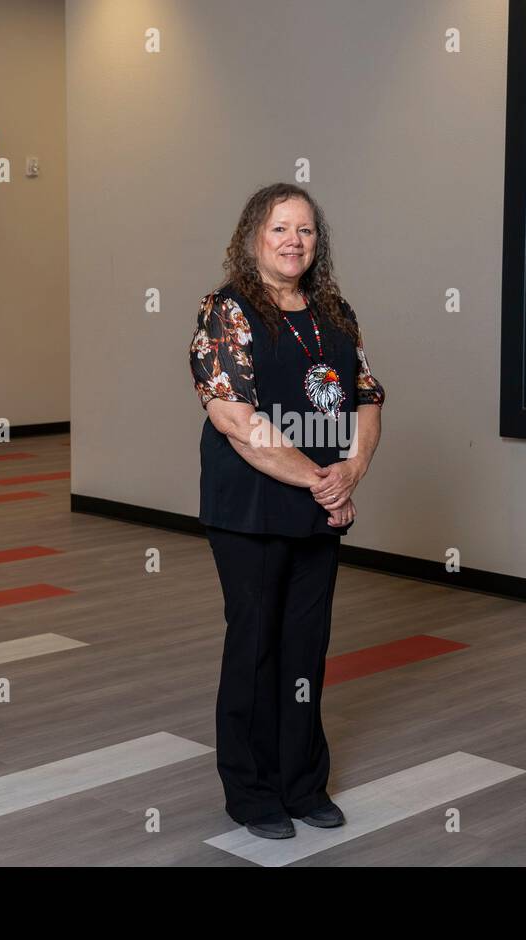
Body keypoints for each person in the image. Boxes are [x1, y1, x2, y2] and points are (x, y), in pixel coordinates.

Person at [188, 183, 385, 840]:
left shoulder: (335, 310)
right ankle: (250, 793)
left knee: (306, 647)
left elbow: (367, 397)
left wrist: (351, 470)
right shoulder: (228, 312)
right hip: (249, 507)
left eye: (304, 230)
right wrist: (318, 480)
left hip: (318, 505)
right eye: (279, 229)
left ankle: (302, 784)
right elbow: (237, 420)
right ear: (253, 238)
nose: (293, 241)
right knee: (256, 646)